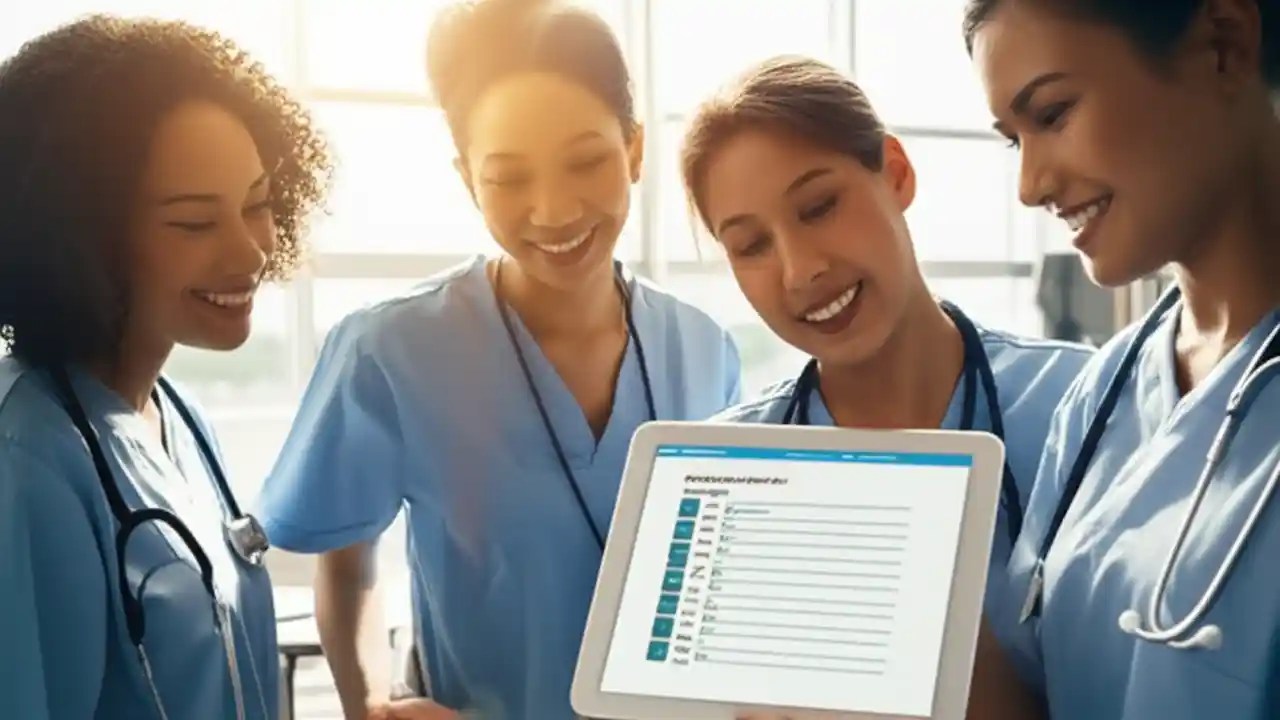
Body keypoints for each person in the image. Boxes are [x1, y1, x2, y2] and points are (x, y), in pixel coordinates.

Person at [254, 1, 742, 718]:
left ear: (635, 151)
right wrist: (372, 703)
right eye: (510, 178)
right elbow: (349, 563)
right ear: (465, 178)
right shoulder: (390, 351)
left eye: (586, 161)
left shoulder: (704, 348)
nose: (554, 210)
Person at [678, 55, 1092, 720]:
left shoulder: (1089, 405)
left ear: (895, 173)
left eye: (819, 207)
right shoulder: (728, 476)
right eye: (750, 245)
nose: (799, 271)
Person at [0, 15, 330, 720]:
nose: (249, 252)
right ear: (83, 235)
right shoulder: (28, 460)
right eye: (193, 223)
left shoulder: (177, 415)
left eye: (258, 204)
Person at [963, 0, 1280, 717]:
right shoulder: (1100, 396)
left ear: (1224, 46)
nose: (1031, 185)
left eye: (1052, 113)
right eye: (1015, 141)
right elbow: (1030, 685)